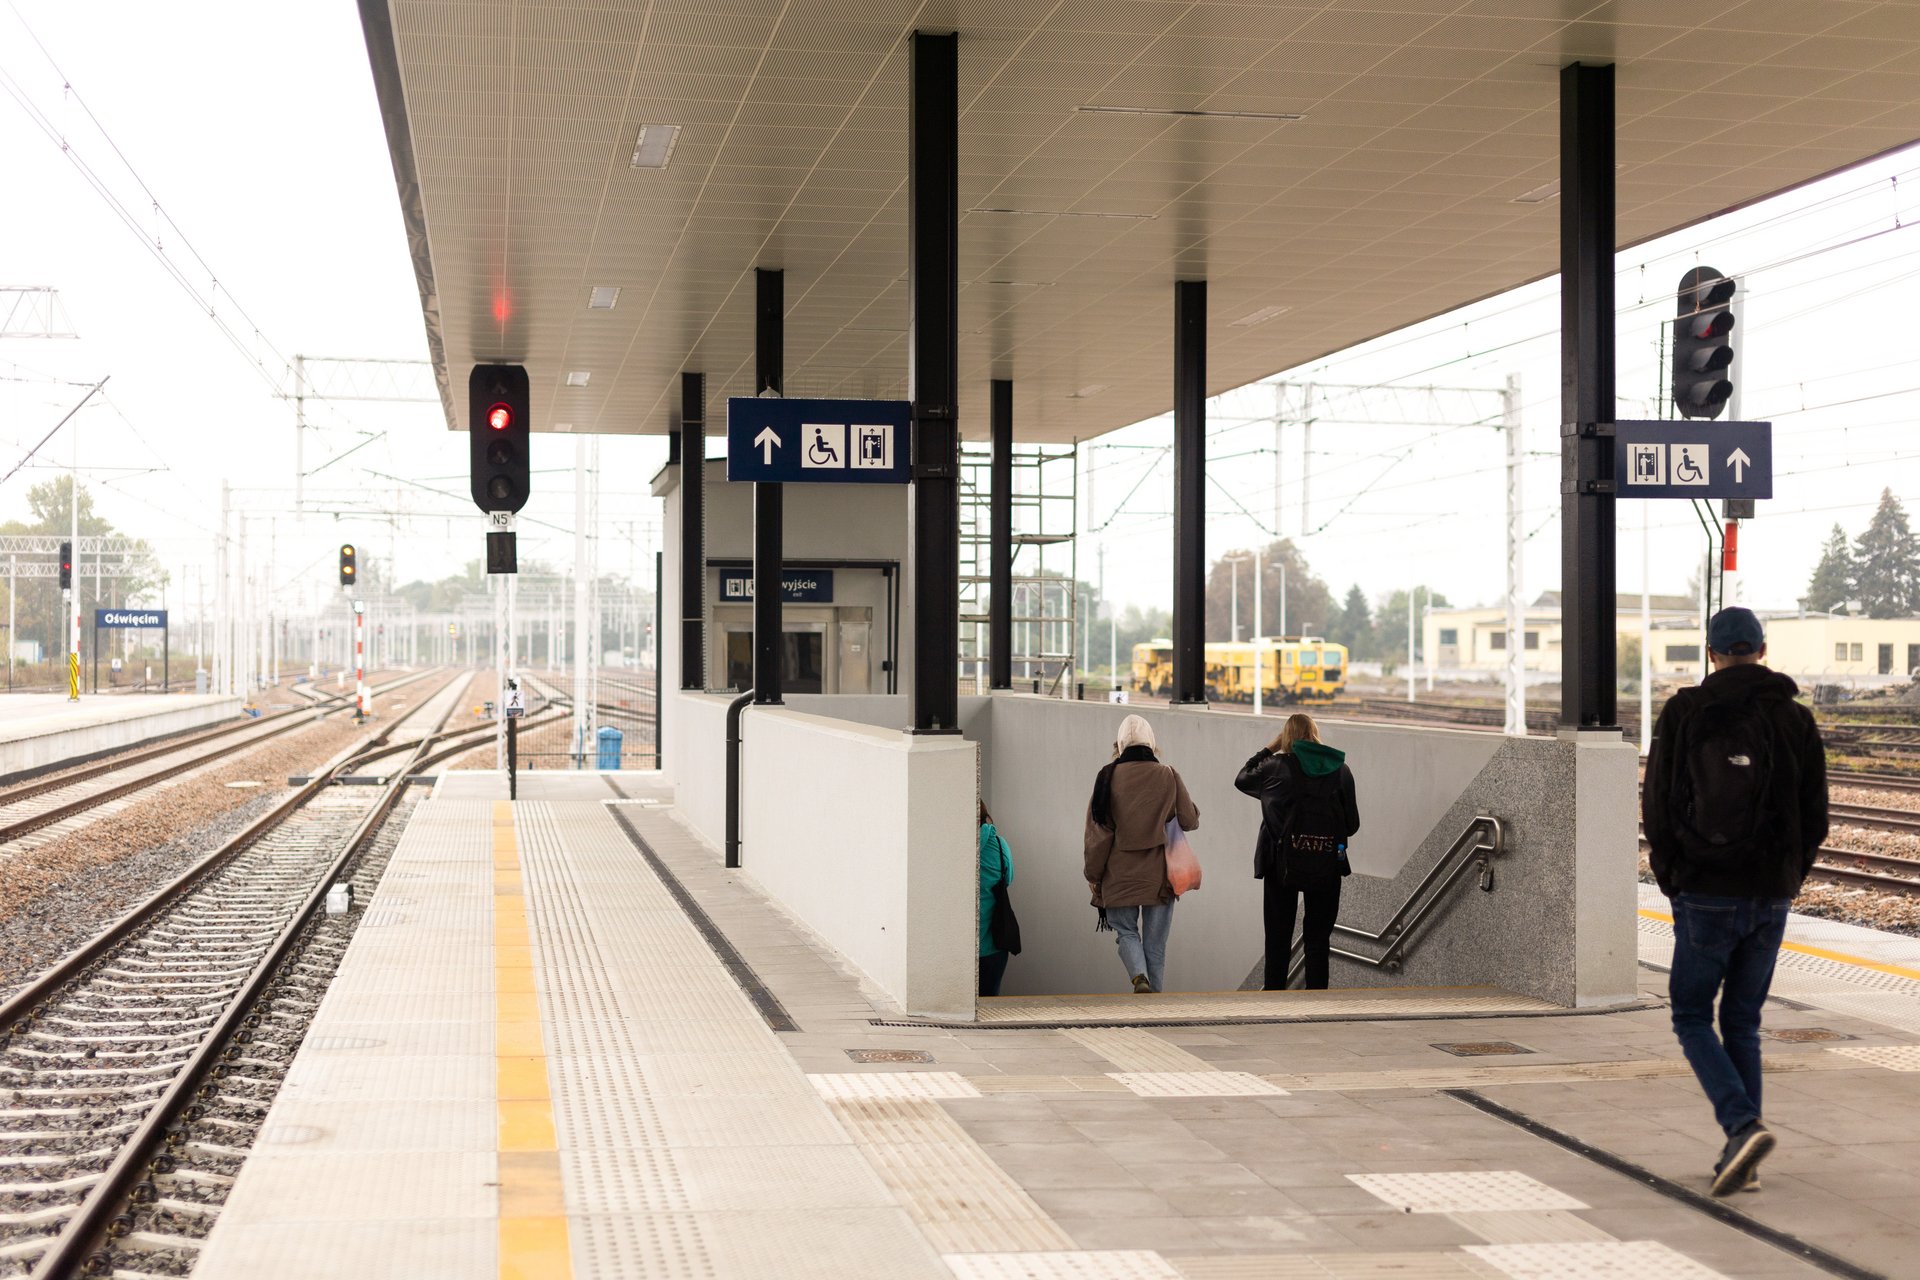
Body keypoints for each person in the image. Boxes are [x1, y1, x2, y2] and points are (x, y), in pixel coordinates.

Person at [1644, 606, 1828, 1198]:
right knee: (1743, 1022)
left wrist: (1674, 875)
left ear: (1712, 654)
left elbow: (1657, 804)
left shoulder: (1685, 711)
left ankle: (1742, 1126)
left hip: (1705, 890)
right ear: (1762, 651)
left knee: (1691, 1016)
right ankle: (1743, 1160)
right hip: (1770, 893)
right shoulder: (1794, 718)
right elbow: (1816, 815)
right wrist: (1788, 877)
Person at [1235, 712, 1359, 990]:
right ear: (1315, 735)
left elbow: (1242, 779)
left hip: (1281, 863)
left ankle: (1276, 1004)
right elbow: (1352, 825)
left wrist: (1271, 747)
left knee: (1277, 940)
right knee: (1318, 940)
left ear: (1286, 737)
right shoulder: (1341, 770)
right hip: (1326, 863)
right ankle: (1316, 1004)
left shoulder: (1275, 766)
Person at [1084, 714, 1199, 993]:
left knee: (1126, 932)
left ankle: (1139, 977)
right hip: (1158, 876)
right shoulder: (1168, 775)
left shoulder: (1107, 777)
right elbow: (1189, 821)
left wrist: (1093, 875)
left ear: (1119, 745)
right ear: (1152, 743)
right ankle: (1153, 1000)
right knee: (1155, 944)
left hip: (1119, 874)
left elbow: (1098, 835)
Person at [978, 803, 1014, 997]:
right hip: (994, 943)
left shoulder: (956, 848)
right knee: (990, 1002)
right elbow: (1008, 879)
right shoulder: (1000, 845)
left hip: (959, 946)